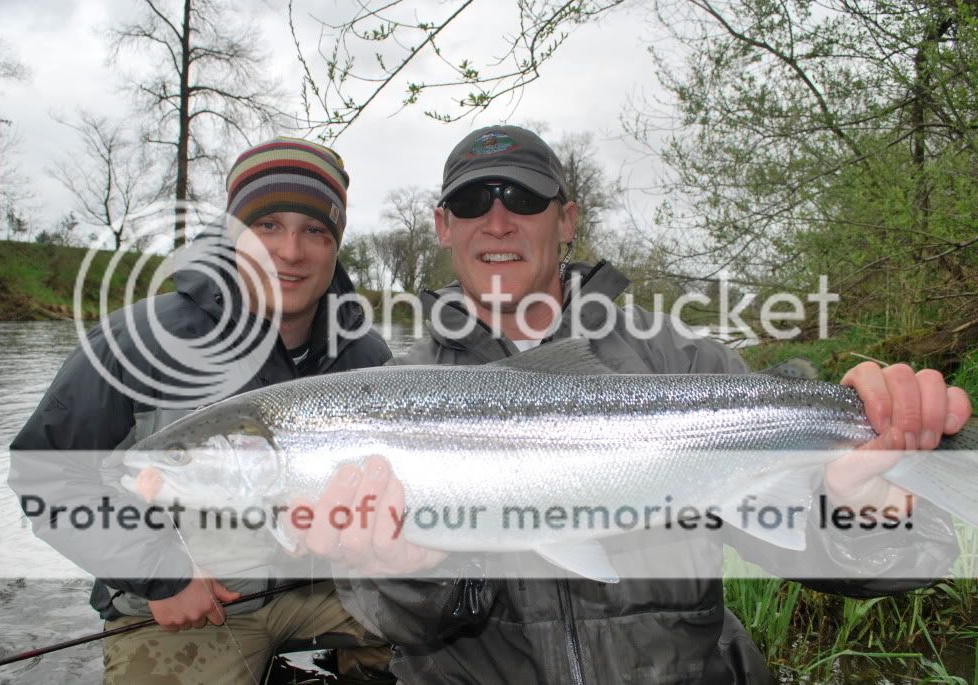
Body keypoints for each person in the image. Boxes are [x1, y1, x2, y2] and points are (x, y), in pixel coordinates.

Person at [287, 125, 971, 683]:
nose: (496, 222)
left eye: (522, 198)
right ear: (441, 224)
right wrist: (413, 570)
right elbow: (396, 624)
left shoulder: (684, 361)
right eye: (471, 204)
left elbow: (844, 553)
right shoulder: (379, 402)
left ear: (566, 219)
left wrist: (863, 508)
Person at [8, 137, 395, 684]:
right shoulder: (136, 343)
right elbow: (42, 474)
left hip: (325, 589)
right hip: (182, 605)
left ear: (336, 246)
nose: (290, 251)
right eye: (268, 226)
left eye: (315, 230)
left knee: (440, 629)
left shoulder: (366, 356)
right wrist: (156, 571)